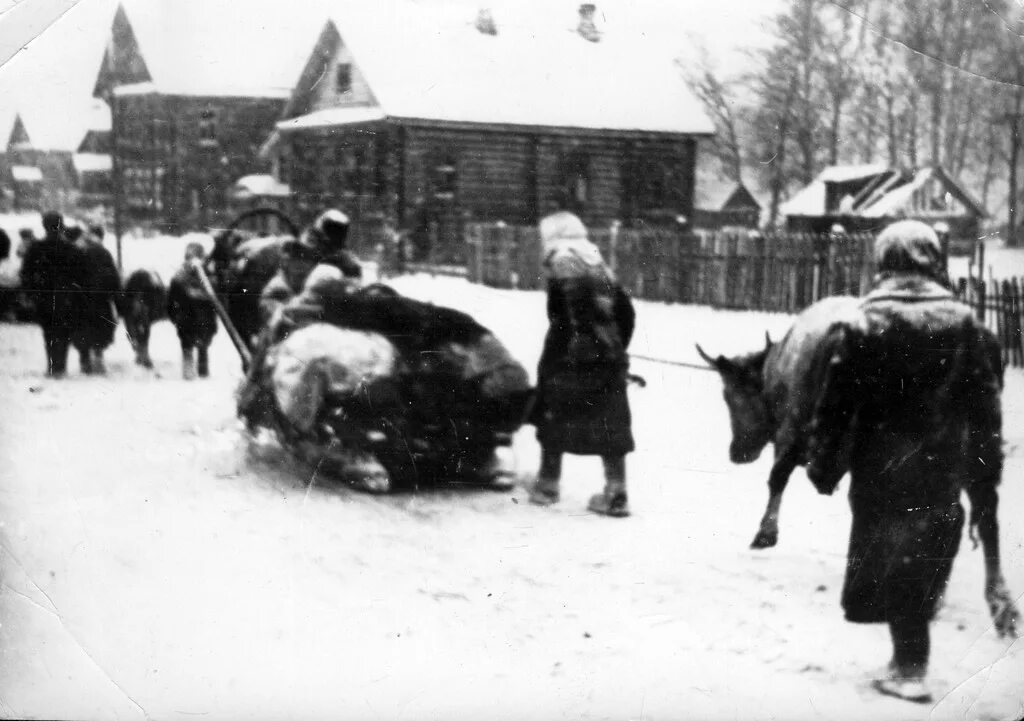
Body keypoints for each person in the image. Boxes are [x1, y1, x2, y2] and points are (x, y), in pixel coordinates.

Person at [805, 220, 1019, 703]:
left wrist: (822, 465)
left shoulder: (862, 322)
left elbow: (835, 403)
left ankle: (909, 668)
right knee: (919, 562)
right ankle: (908, 659)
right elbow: (984, 412)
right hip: (940, 470)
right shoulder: (964, 323)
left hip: (880, 471)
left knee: (891, 563)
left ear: (883, 262)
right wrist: (983, 472)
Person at [528, 205, 636, 517]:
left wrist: (577, 343)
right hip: (606, 359)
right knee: (611, 423)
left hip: (568, 357)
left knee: (553, 414)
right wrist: (615, 346)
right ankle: (617, 492)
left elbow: (571, 310)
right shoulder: (600, 266)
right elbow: (626, 312)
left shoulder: (562, 260)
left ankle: (548, 485)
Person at [19, 211, 86, 377]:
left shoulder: (36, 248)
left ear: (44, 226)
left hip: (43, 297)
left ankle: (51, 365)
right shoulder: (71, 248)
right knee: (63, 332)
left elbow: (26, 273)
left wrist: (29, 294)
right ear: (61, 225)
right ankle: (60, 366)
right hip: (66, 298)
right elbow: (81, 275)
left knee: (48, 331)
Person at [71, 224, 121, 374]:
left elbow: (74, 276)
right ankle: (98, 358)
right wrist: (114, 295)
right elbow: (113, 277)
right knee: (100, 329)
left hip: (83, 299)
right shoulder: (104, 253)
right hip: (101, 300)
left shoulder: (81, 251)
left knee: (83, 329)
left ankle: (85, 361)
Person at [167, 242, 218, 380]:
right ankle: (201, 372)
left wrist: (173, 316)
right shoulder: (209, 276)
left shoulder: (179, 276)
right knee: (200, 345)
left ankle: (192, 373)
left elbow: (170, 300)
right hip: (199, 319)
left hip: (188, 319)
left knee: (189, 345)